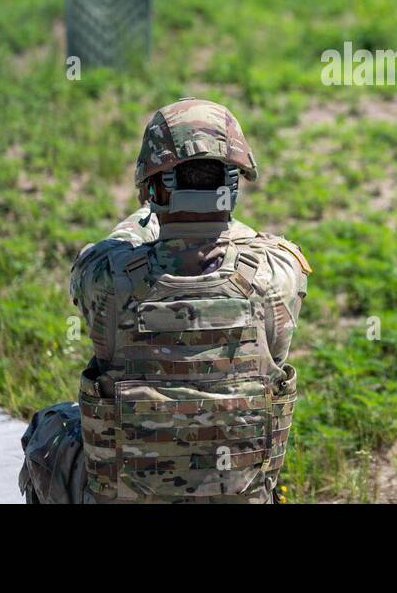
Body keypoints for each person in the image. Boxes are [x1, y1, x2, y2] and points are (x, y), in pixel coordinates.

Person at [19, 97, 310, 504]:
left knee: (49, 429)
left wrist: (149, 218)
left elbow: (109, 252)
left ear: (153, 187)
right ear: (233, 185)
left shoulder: (107, 275)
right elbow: (244, 239)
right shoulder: (276, 273)